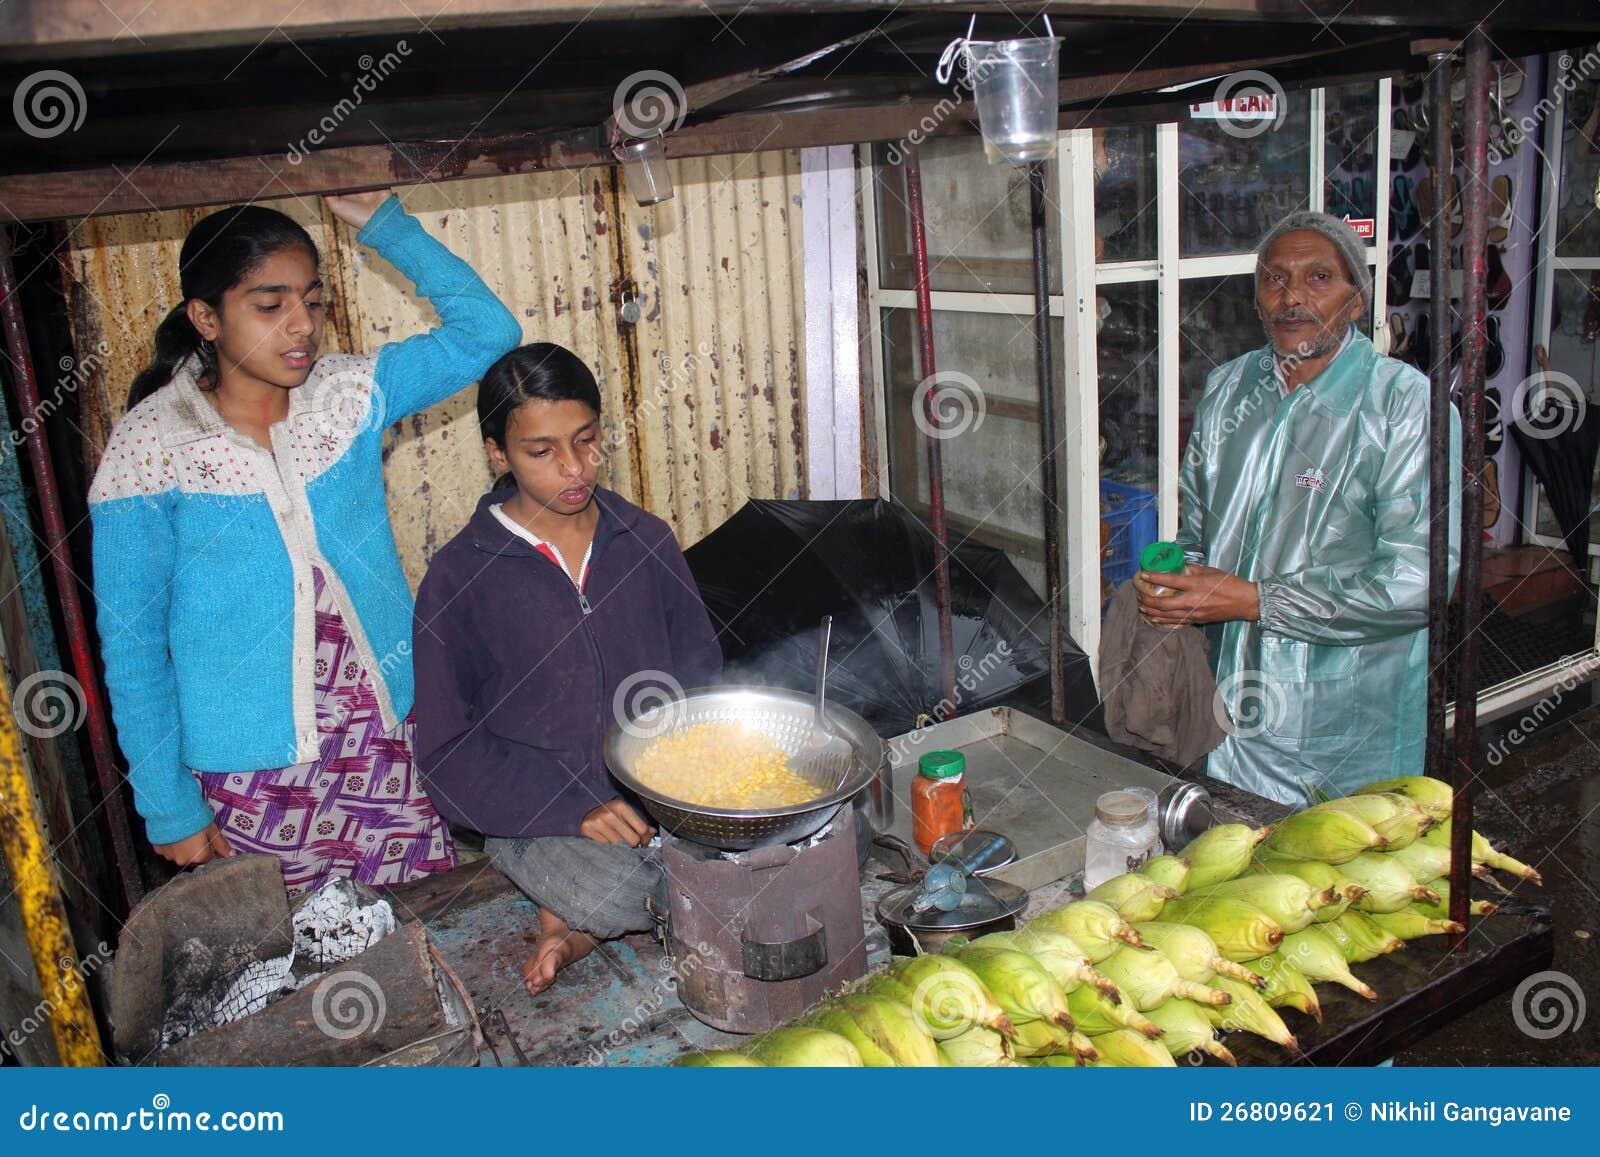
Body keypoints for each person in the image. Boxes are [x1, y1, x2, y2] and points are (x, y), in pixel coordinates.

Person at [90, 191, 522, 894]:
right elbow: (133, 645)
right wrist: (168, 805)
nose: (302, 326)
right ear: (205, 317)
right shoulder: (150, 447)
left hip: (383, 735)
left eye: (313, 302)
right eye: (270, 305)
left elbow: (487, 332)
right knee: (289, 958)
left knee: (416, 928)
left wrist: (388, 227)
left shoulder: (347, 397)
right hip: (252, 771)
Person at [412, 343, 722, 994]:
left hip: (660, 806)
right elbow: (446, 752)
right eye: (542, 450)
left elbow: (702, 681)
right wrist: (571, 805)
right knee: (624, 890)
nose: (575, 467)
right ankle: (585, 913)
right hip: (542, 817)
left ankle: (572, 923)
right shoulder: (459, 575)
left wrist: (690, 795)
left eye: (586, 440)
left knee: (819, 838)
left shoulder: (646, 541)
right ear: (497, 452)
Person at [1136, 211, 1462, 804]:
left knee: (1336, 878)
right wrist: (1175, 579)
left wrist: (1258, 600)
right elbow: (1200, 530)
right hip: (1224, 702)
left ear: (1356, 301)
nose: (1292, 298)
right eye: (1274, 279)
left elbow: (1419, 583)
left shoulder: (1403, 406)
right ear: (1256, 300)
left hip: (1341, 725)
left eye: (1318, 279)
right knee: (1232, 871)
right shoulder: (1231, 389)